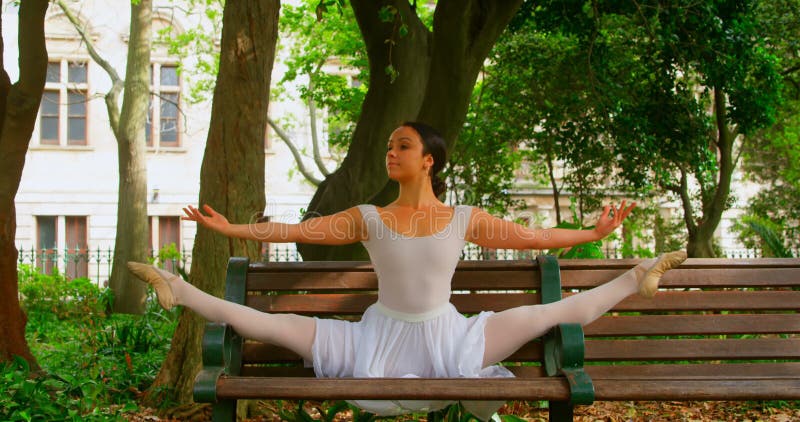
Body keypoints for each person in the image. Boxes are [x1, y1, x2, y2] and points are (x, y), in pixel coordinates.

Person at [127, 121, 687, 420]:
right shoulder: (368, 218)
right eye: (390, 146)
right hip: (378, 338)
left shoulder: (463, 218)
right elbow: (299, 231)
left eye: (403, 146)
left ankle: (637, 277)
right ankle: (175, 287)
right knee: (275, 325)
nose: (390, 153)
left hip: (451, 336)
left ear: (429, 161)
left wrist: (592, 234)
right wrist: (232, 230)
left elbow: (535, 236)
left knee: (546, 311)